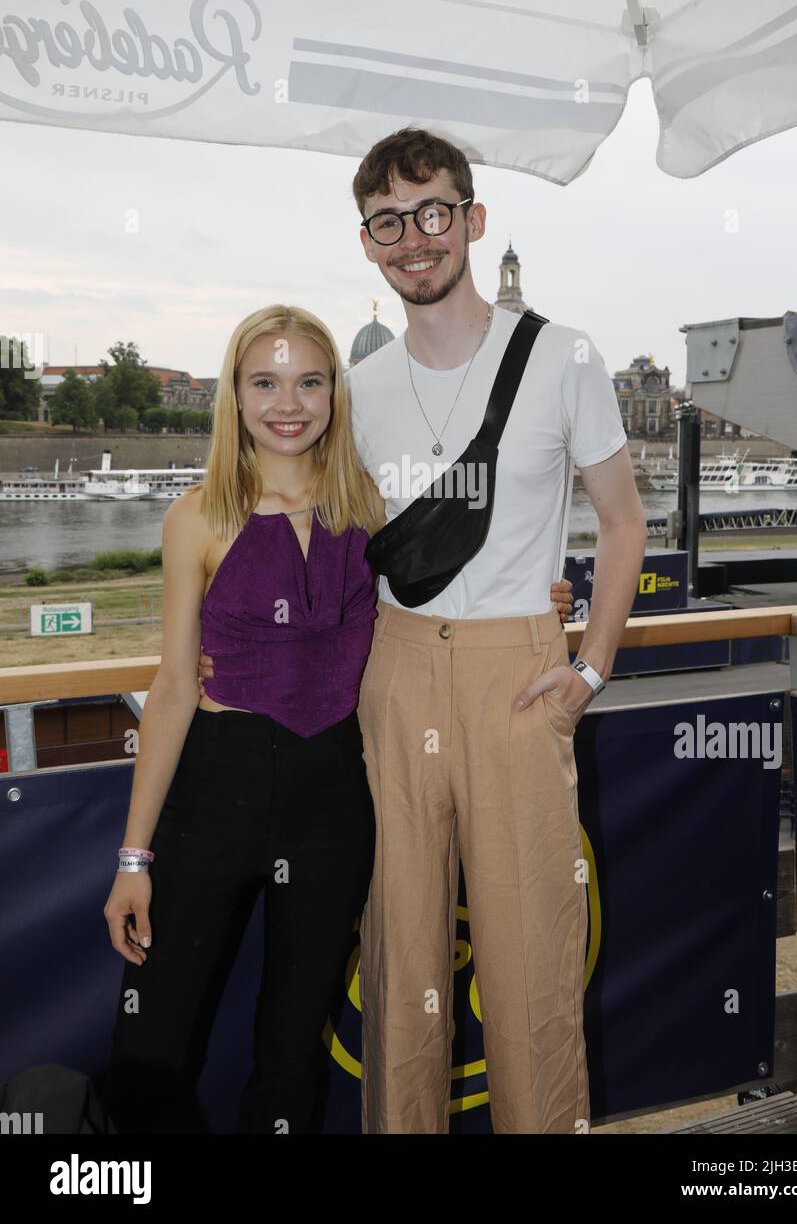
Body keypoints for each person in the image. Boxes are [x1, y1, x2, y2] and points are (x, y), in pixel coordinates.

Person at [201, 127, 647, 1134]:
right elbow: (303, 542)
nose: (414, 238)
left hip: (517, 680)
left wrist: (587, 669)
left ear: (472, 220)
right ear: (366, 242)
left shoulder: (561, 357)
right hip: (393, 682)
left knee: (530, 963)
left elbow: (623, 521)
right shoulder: (351, 394)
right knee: (402, 965)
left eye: (433, 212)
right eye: (388, 222)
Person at [102, 301, 575, 1135]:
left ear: (334, 394)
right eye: (267, 382)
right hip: (214, 796)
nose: (290, 403)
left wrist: (543, 597)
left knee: (291, 1058)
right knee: (150, 1048)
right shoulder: (198, 518)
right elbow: (173, 688)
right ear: (236, 397)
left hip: (331, 805)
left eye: (310, 382)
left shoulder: (368, 509)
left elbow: (454, 582)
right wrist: (135, 857)